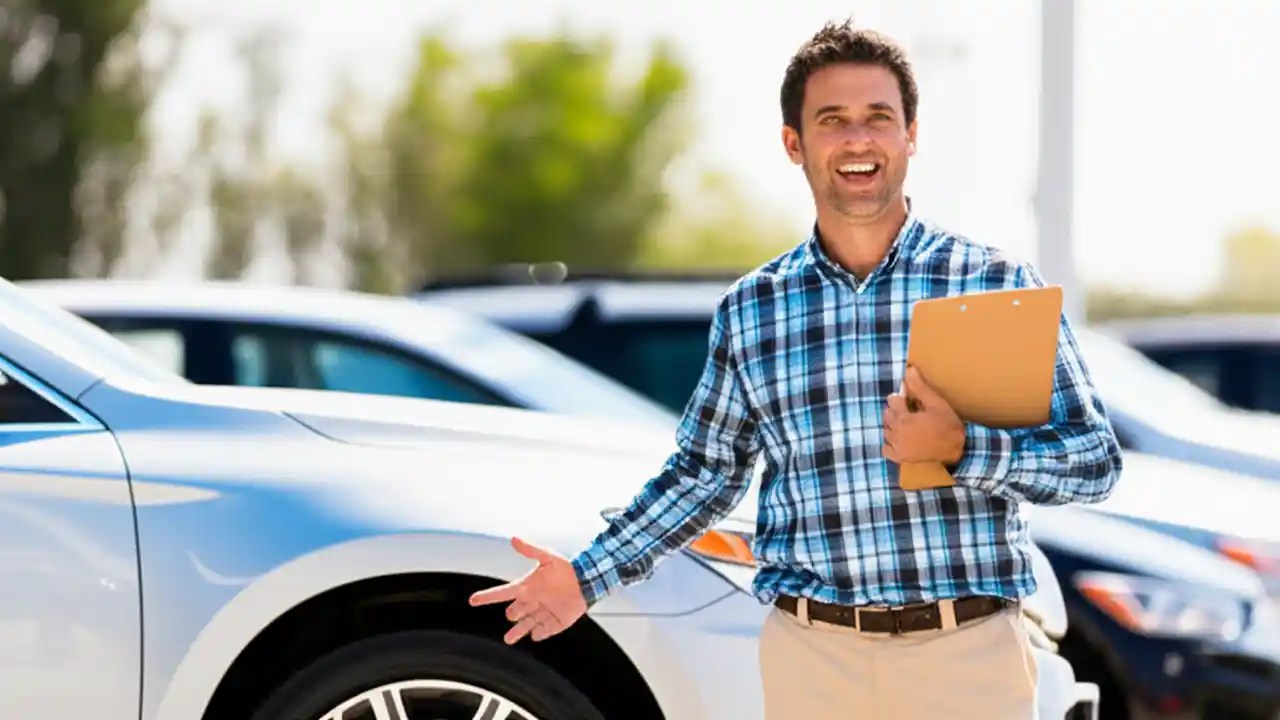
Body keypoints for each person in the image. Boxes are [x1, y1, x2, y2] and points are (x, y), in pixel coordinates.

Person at [470, 19, 1122, 719]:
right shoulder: (755, 308)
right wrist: (586, 578)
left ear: (911, 135)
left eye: (879, 117)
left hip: (967, 656)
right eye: (832, 120)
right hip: (812, 660)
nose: (858, 139)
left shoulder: (992, 282)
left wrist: (962, 449)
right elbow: (705, 475)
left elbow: (1093, 461)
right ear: (795, 143)